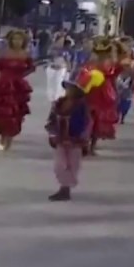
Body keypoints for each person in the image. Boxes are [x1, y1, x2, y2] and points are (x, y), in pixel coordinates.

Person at [46, 69, 101, 202]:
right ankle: (63, 186)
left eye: (73, 88)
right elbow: (51, 120)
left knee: (73, 164)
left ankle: (66, 188)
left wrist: (83, 138)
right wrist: (52, 134)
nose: (69, 90)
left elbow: (87, 123)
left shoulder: (83, 107)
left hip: (75, 141)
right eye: (69, 87)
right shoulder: (59, 103)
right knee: (59, 164)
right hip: (60, 139)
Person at [0, 30, 35, 152]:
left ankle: (9, 139)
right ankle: (3, 140)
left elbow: (31, 68)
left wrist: (20, 76)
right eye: (14, 39)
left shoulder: (26, 54)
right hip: (3, 85)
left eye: (20, 39)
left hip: (18, 87)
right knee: (3, 113)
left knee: (15, 113)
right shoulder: (4, 53)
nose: (17, 42)